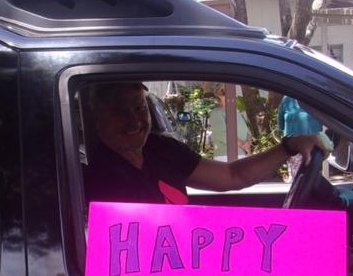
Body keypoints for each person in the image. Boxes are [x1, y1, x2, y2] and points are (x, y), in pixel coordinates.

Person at [82, 82, 320, 205]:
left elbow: (232, 175)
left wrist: (288, 147)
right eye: (118, 112)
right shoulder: (91, 176)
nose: (134, 120)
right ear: (96, 117)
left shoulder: (162, 149)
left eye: (139, 107)